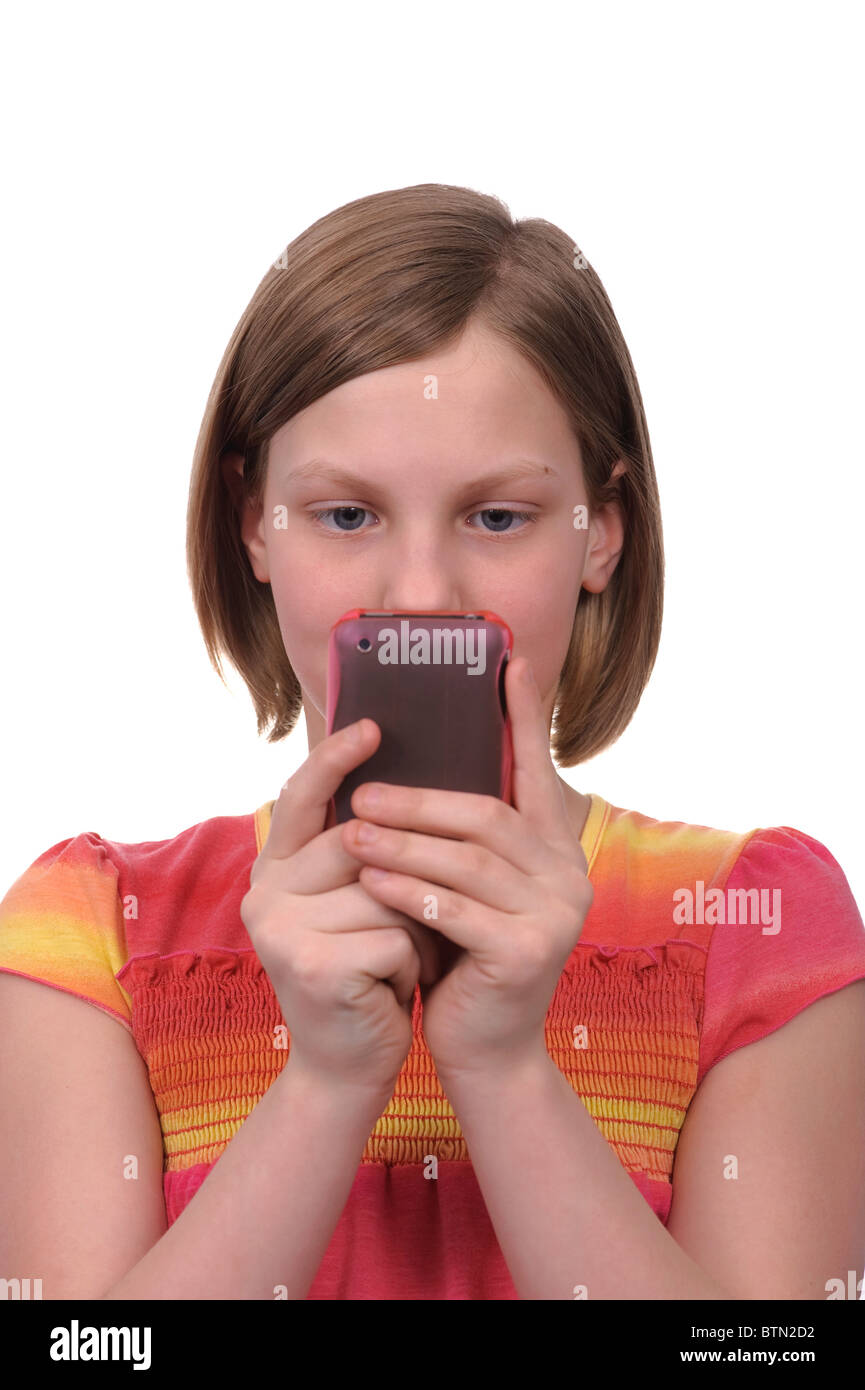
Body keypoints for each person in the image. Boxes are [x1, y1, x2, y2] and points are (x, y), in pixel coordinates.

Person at [1, 183, 864, 1302]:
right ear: (250, 525)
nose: (420, 593)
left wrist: (503, 1067)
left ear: (601, 531)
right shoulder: (96, 933)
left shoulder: (758, 918)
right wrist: (323, 1082)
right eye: (346, 514)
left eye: (495, 516)